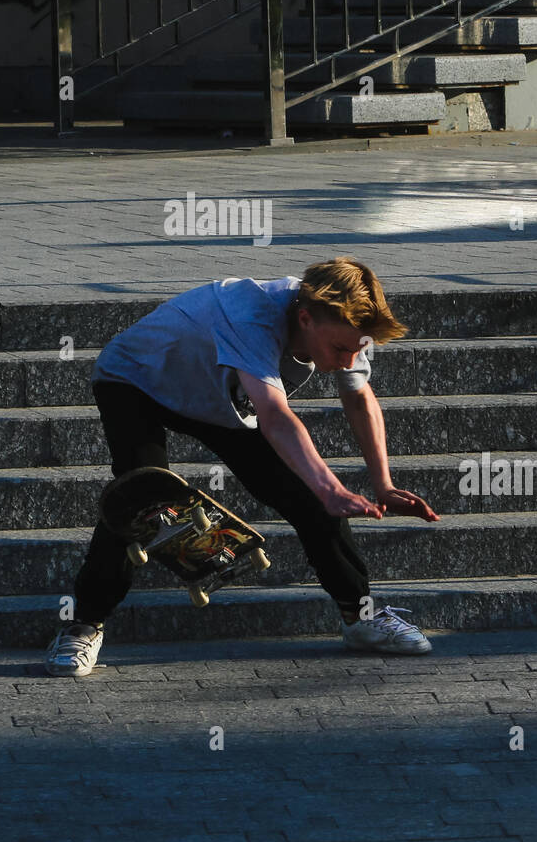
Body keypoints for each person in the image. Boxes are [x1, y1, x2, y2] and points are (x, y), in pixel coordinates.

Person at [45, 257, 440, 676]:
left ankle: (359, 617)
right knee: (139, 494)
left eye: (354, 350)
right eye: (339, 350)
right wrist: (332, 489)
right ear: (304, 318)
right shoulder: (252, 314)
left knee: (309, 496)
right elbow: (274, 415)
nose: (346, 361)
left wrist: (382, 483)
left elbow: (360, 397)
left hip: (215, 396)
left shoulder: (348, 327)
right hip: (135, 381)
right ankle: (82, 625)